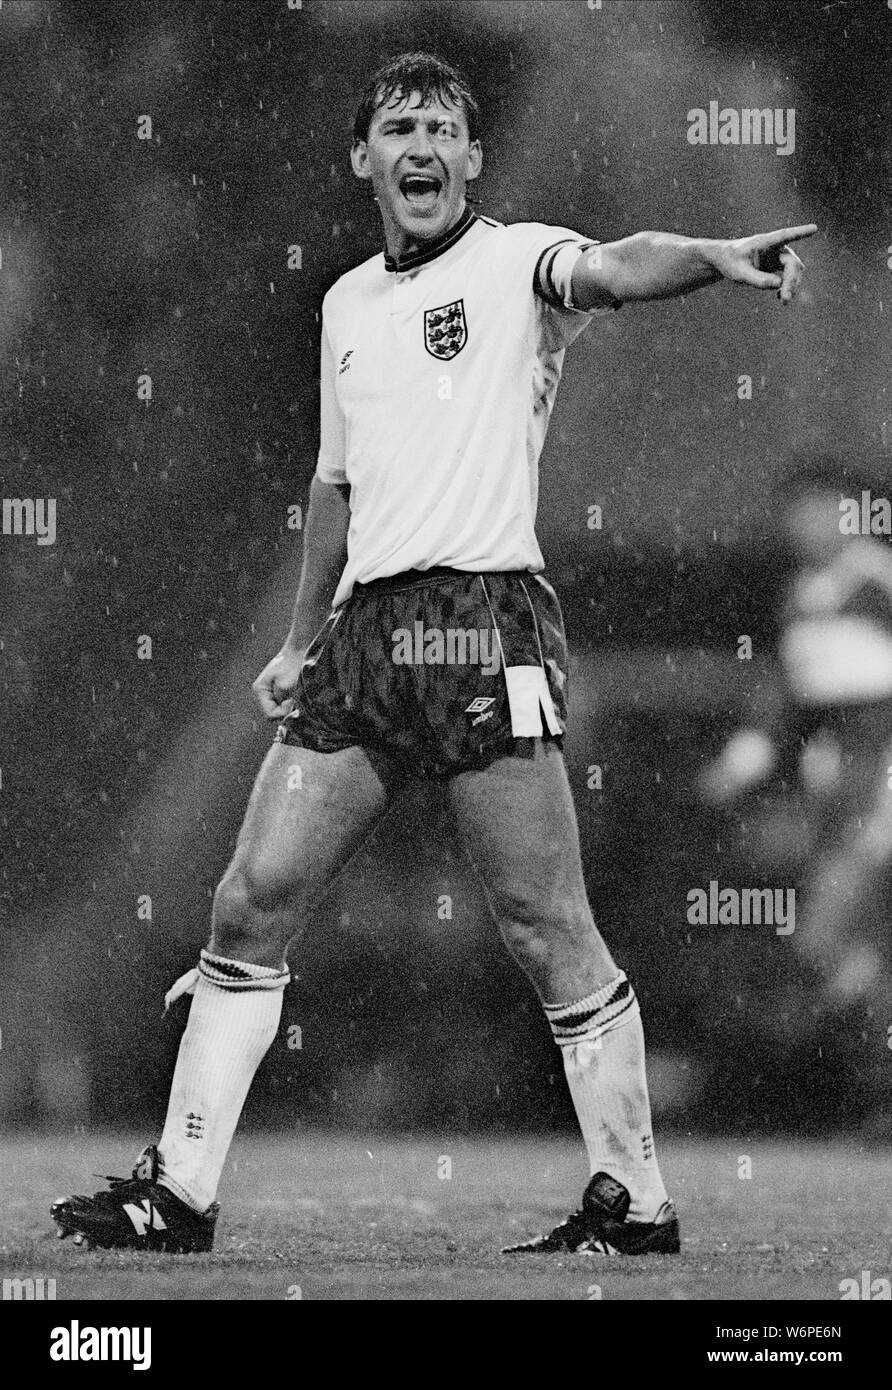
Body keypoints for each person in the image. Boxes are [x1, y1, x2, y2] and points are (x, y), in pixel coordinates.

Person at [52, 52, 814, 1256]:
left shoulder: (518, 264)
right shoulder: (345, 305)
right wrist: (302, 640)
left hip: (482, 624)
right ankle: (179, 1193)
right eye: (397, 126)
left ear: (466, 159)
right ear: (364, 158)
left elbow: (614, 265)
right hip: (364, 640)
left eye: (442, 129)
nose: (420, 145)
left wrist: (711, 262)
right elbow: (334, 484)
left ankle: (638, 1199)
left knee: (542, 921)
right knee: (249, 899)